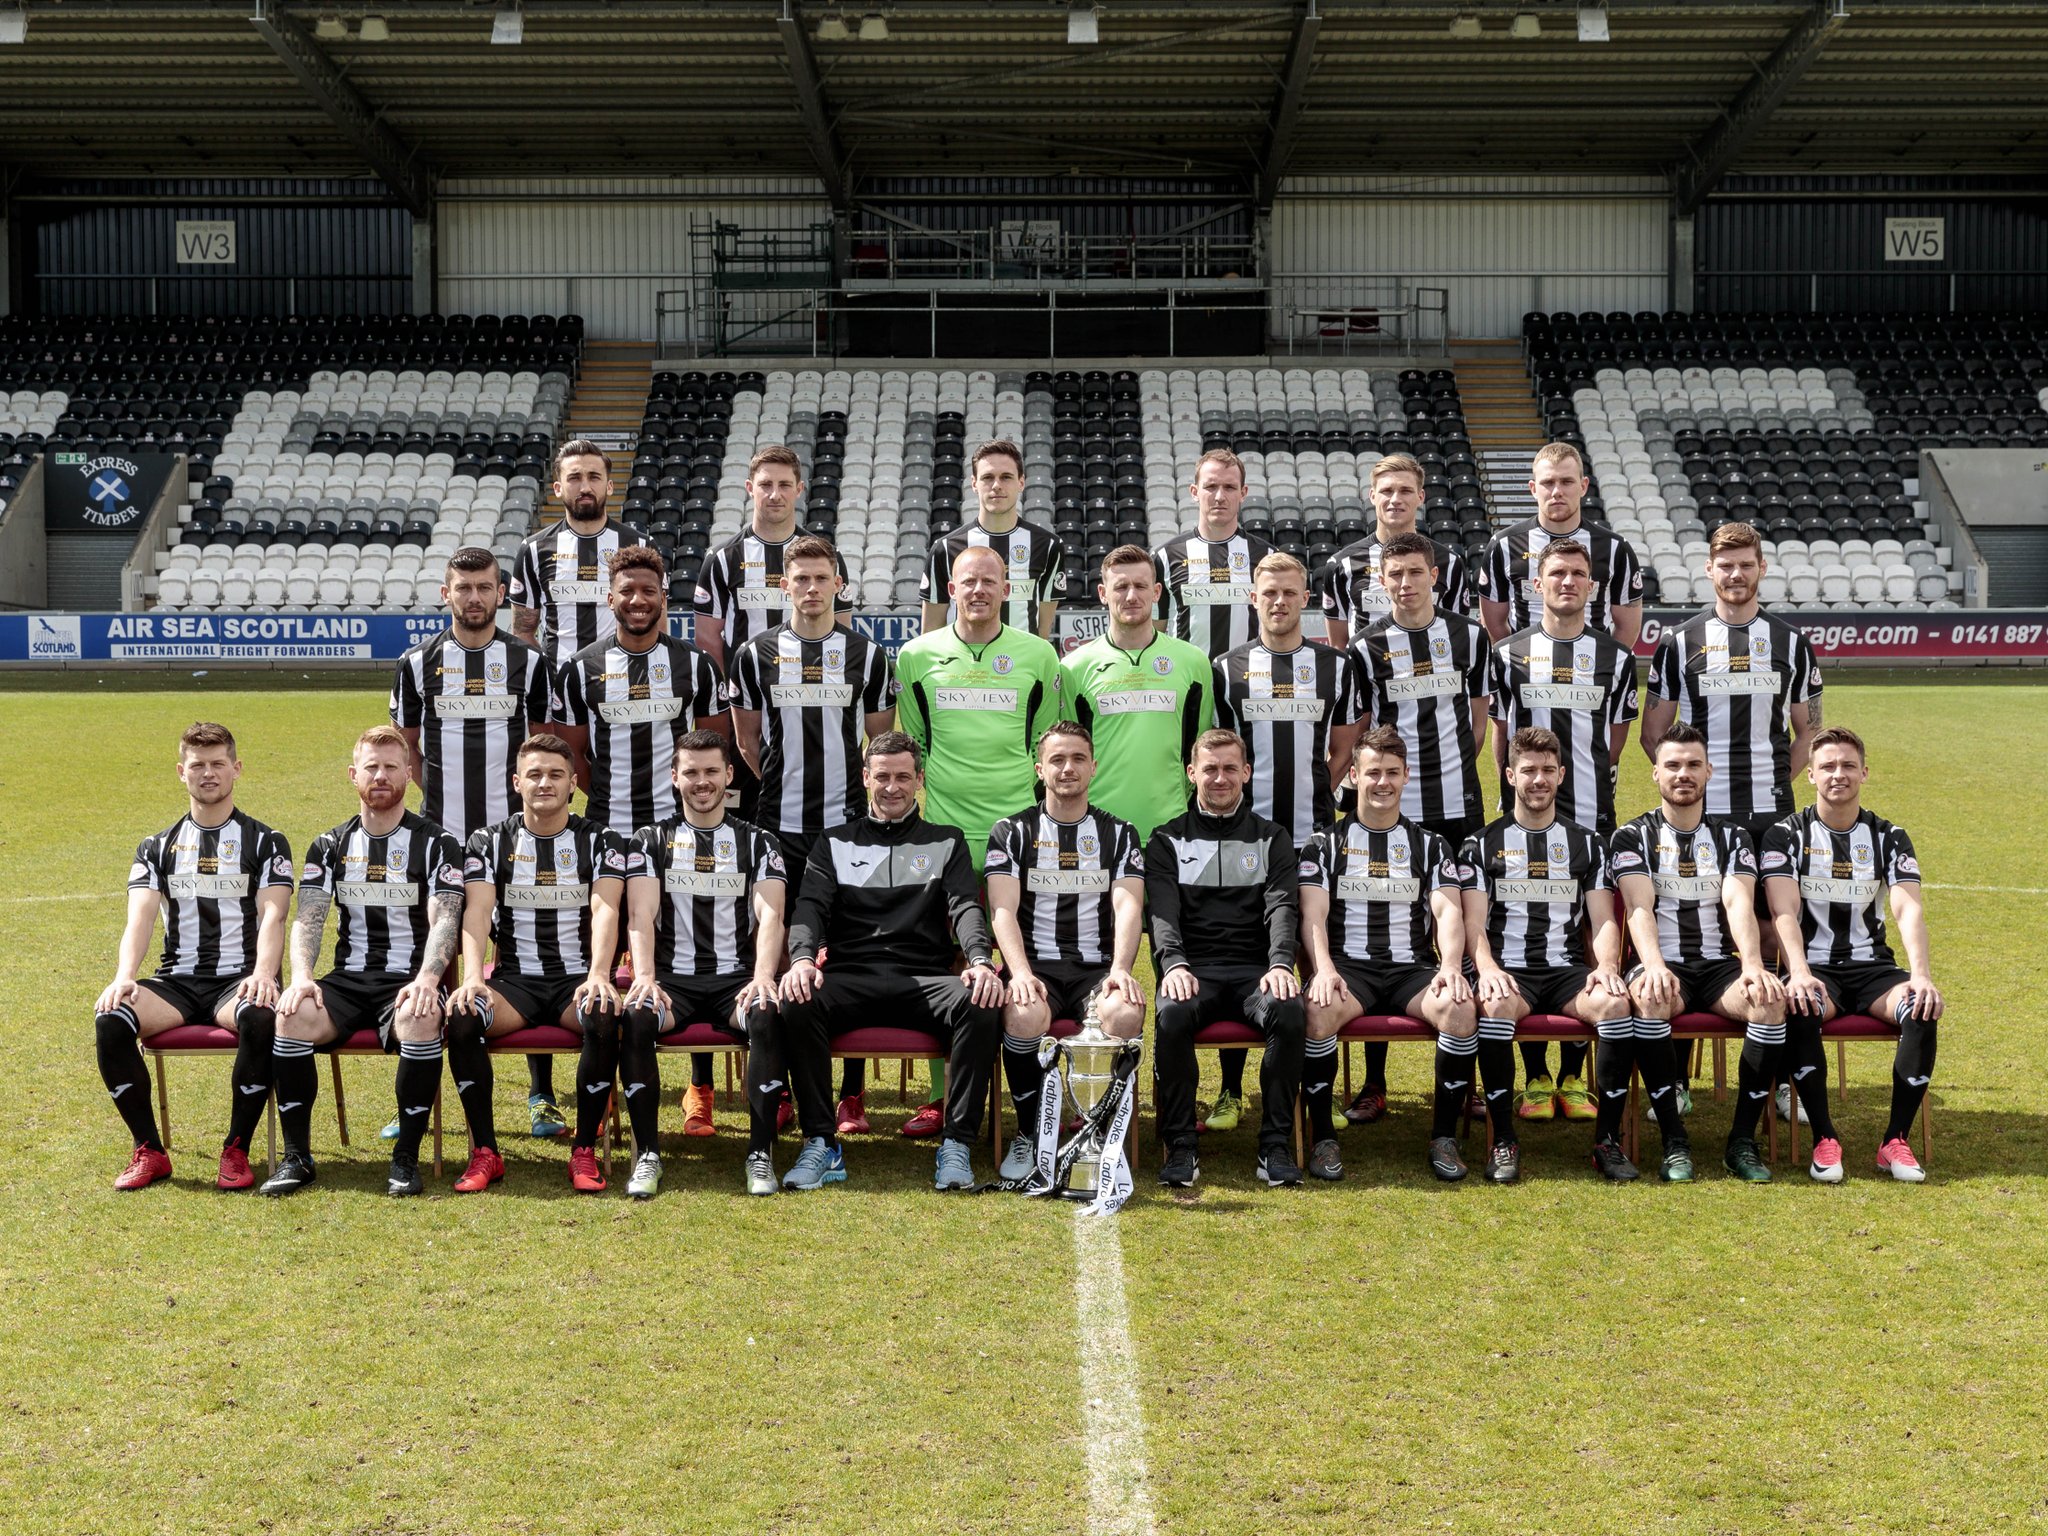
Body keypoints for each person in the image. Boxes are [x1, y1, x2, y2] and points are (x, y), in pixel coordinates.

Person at [778, 733, 1005, 1192]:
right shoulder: (834, 842)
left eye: (903, 776)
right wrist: (801, 959)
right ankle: (821, 1142)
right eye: (882, 776)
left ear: (919, 780)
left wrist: (980, 960)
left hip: (923, 979)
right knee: (798, 999)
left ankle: (957, 1143)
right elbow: (809, 909)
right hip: (851, 977)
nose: (892, 786)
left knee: (982, 1001)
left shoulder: (946, 841)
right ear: (865, 779)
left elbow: (965, 907)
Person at [726, 533, 897, 1135]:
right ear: (783, 585)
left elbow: (877, 743)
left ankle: (849, 1094)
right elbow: (748, 741)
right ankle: (779, 1087)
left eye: (822, 577)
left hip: (849, 828)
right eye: (800, 578)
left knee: (846, 951)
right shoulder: (755, 654)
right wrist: (779, 784)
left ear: (838, 585)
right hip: (777, 826)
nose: (811, 587)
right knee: (770, 952)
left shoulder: (868, 655)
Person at [390, 544, 563, 1137]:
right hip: (441, 843)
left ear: (501, 594)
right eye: (462, 588)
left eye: (484, 587)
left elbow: (543, 747)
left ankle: (541, 1095)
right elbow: (407, 746)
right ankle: (417, 1100)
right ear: (446, 595)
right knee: (431, 966)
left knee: (526, 960)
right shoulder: (418, 663)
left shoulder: (530, 663)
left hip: (516, 846)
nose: (473, 597)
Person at [554, 544, 728, 1132]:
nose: (637, 601)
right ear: (610, 597)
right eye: (626, 591)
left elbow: (714, 746)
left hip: (681, 837)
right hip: (606, 833)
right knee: (596, 956)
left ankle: (699, 1086)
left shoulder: (695, 666)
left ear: (663, 598)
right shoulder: (581, 667)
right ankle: (600, 1085)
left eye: (648, 591)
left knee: (689, 954)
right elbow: (573, 750)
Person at [892, 543, 1063, 1135]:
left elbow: (1047, 750)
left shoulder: (1039, 657)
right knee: (947, 963)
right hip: (943, 833)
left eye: (990, 580)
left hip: (1016, 834)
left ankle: (1034, 1093)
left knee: (1023, 959)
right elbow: (911, 747)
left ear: (1007, 588)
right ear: (952, 588)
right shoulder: (916, 657)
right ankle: (947, 1095)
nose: (979, 590)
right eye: (968, 581)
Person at [265, 726, 466, 1198]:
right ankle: (297, 1158)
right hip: (347, 982)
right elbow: (310, 918)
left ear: (409, 774)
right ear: (353, 775)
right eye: (371, 767)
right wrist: (301, 979)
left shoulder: (437, 843)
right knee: (291, 1015)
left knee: (420, 1018)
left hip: (407, 981)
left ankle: (405, 1159)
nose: (381, 775)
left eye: (391, 766)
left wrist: (427, 980)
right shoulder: (329, 845)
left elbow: (447, 919)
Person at [93, 722, 294, 1191]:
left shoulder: (266, 842)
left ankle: (236, 1149)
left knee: (262, 1015)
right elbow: (139, 918)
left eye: (218, 764)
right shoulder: (155, 847)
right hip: (176, 983)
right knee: (110, 1019)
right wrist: (124, 976)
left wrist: (264, 972)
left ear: (236, 769)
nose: (208, 774)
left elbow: (274, 916)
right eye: (198, 765)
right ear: (181, 772)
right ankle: (150, 1150)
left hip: (237, 980)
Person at [1487, 540, 1637, 1119]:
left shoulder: (1616, 659)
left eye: (1578, 574)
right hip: (1523, 819)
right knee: (1523, 931)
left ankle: (1574, 1077)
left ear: (1592, 587)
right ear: (1536, 585)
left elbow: (1615, 738)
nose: (1568, 582)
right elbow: (1500, 733)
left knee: (1581, 941)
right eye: (1557, 574)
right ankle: (1535, 1075)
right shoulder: (1507, 655)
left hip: (1590, 819)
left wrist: (1586, 778)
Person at [443, 735, 632, 1194]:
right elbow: (476, 912)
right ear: (516, 783)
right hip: (515, 986)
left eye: (555, 775)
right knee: (463, 1015)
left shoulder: (600, 839)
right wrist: (471, 979)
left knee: (605, 1014)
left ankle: (584, 1150)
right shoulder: (488, 841)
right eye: (534, 774)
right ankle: (485, 1151)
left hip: (576, 981)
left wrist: (599, 976)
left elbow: (606, 908)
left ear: (573, 784)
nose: (544, 783)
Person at [1347, 529, 1492, 1122]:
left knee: (1473, 938)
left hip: (1458, 811)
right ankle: (1374, 1083)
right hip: (1390, 812)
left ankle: (1464, 1081)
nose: (1405, 584)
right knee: (1384, 935)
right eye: (1395, 574)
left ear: (1435, 575)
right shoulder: (1366, 646)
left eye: (1415, 572)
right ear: (1382, 581)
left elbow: (1478, 723)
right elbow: (1364, 733)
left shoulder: (1470, 638)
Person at [1609, 723, 1786, 1184]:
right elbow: (1638, 905)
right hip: (1659, 961)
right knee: (1649, 997)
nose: (1682, 774)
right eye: (1672, 765)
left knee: (1768, 1001)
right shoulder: (1632, 836)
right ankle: (1674, 1140)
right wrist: (1652, 966)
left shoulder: (1733, 838)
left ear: (1709, 770)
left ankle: (1742, 1142)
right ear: (1655, 774)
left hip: (1717, 965)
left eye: (1692, 765)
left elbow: (1738, 902)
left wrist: (1752, 967)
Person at [1763, 726, 1941, 1184]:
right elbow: (1783, 908)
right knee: (1799, 1004)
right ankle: (1825, 1137)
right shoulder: (1786, 834)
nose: (1837, 775)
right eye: (1827, 766)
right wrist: (1798, 971)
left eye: (1847, 766)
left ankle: (1894, 1140)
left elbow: (1907, 905)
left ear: (1864, 772)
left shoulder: (1889, 836)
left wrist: (1920, 975)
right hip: (1817, 970)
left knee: (1921, 1009)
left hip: (1875, 970)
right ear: (1810, 775)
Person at [1299, 728, 1477, 1182]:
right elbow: (1313, 917)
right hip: (1348, 972)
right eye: (1373, 772)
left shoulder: (1430, 845)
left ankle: (1443, 1137)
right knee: (1318, 1011)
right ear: (1353, 776)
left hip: (1410, 971)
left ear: (1406, 777)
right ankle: (1322, 1139)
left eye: (1392, 773)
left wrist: (1452, 968)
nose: (1383, 782)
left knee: (1459, 1009)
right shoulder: (1324, 844)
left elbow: (1448, 912)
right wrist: (1322, 971)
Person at [621, 732, 791, 1199]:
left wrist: (762, 977)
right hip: (672, 983)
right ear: (674, 777)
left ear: (729, 776)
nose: (702, 782)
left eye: (712, 771)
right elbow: (640, 914)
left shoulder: (759, 842)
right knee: (635, 1016)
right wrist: (646, 978)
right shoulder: (650, 839)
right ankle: (648, 1154)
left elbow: (771, 914)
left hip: (734, 981)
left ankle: (760, 1154)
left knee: (766, 1012)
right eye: (691, 772)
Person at [1460, 728, 1631, 1184]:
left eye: (1548, 771)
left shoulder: (1589, 844)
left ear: (1562, 774)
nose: (1539, 780)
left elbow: (1604, 918)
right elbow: (1472, 923)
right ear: (1510, 774)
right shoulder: (1481, 844)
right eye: (1529, 771)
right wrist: (1489, 969)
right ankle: (1503, 1141)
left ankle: (1607, 1142)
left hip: (1567, 972)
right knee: (1494, 1006)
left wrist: (1608, 969)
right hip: (1510, 972)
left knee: (1615, 1005)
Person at [984, 722, 1147, 1182]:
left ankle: (1098, 1133)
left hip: (1096, 969)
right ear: (1040, 769)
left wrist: (1120, 969)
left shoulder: (1119, 833)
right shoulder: (1012, 831)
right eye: (1057, 760)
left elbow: (1129, 902)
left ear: (1093, 767)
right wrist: (1017, 972)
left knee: (1124, 1015)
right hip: (1035, 966)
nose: (1067, 768)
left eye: (1077, 759)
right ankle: (1031, 1131)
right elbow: (1002, 909)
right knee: (1022, 1015)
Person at [1144, 729, 1305, 1189]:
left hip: (1256, 973)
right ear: (1192, 773)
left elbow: (1281, 907)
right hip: (1195, 973)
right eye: (1209, 769)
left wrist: (1279, 964)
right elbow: (1164, 914)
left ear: (1246, 773)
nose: (1220, 778)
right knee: (1171, 1016)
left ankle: (1275, 1145)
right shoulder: (1165, 840)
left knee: (1290, 1012)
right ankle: (1180, 1146)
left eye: (1230, 768)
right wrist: (1173, 964)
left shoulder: (1272, 838)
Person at [691, 443, 855, 820]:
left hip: (811, 710)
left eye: (784, 485)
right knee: (745, 821)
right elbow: (708, 642)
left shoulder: (825, 557)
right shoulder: (723, 559)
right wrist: (733, 707)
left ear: (800, 490)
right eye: (766, 484)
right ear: (750, 489)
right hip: (747, 712)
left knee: (819, 816)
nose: (775, 494)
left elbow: (844, 641)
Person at [1060, 545, 1216, 843]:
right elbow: (1069, 755)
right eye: (1121, 587)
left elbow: (1199, 749)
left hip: (1172, 828)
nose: (1131, 596)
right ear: (1103, 594)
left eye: (1140, 586)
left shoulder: (1193, 662)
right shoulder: (1074, 668)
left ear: (1157, 591)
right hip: (1099, 830)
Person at [1213, 550, 1365, 852]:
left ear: (1305, 598)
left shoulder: (1336, 666)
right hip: (1244, 830)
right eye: (1270, 592)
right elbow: (1216, 753)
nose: (1279, 600)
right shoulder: (1225, 669)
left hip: (1314, 829)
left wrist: (1320, 790)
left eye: (1289, 592)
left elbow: (1346, 746)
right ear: (1254, 598)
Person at [1478, 441, 1643, 649]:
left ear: (1583, 486)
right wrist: (1518, 662)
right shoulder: (1503, 545)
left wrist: (1604, 665)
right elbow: (1493, 626)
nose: (1557, 491)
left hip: (1591, 671)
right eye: (1548, 482)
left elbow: (1628, 627)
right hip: (1526, 672)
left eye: (1566, 482)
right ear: (1533, 489)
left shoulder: (1615, 548)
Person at [510, 438, 647, 670]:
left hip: (623, 682)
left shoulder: (639, 544)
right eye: (574, 478)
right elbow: (523, 631)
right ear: (557, 488)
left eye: (594, 477)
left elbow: (656, 626)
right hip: (558, 688)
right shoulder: (534, 549)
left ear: (609, 486)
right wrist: (548, 676)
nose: (585, 487)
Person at [1316, 452, 1475, 649]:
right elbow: (1339, 645)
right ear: (1373, 496)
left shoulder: (1449, 562)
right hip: (1369, 678)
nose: (1395, 499)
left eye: (1405, 491)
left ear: (1420, 497)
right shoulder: (1342, 564)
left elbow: (1459, 633)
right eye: (1387, 491)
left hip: (1431, 674)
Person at [920, 437, 1064, 638]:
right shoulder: (945, 548)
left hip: (1021, 664)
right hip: (964, 665)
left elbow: (1042, 630)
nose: (996, 485)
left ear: (1021, 483)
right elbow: (930, 632)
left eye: (1006, 477)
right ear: (974, 484)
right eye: (988, 477)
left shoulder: (1048, 546)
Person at [1152, 448, 1271, 660]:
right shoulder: (1165, 557)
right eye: (1211, 486)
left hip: (1247, 680)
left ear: (1243, 493)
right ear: (1194, 492)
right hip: (1188, 680)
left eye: (1229, 487)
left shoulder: (1267, 556)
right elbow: (1155, 632)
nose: (1219, 496)